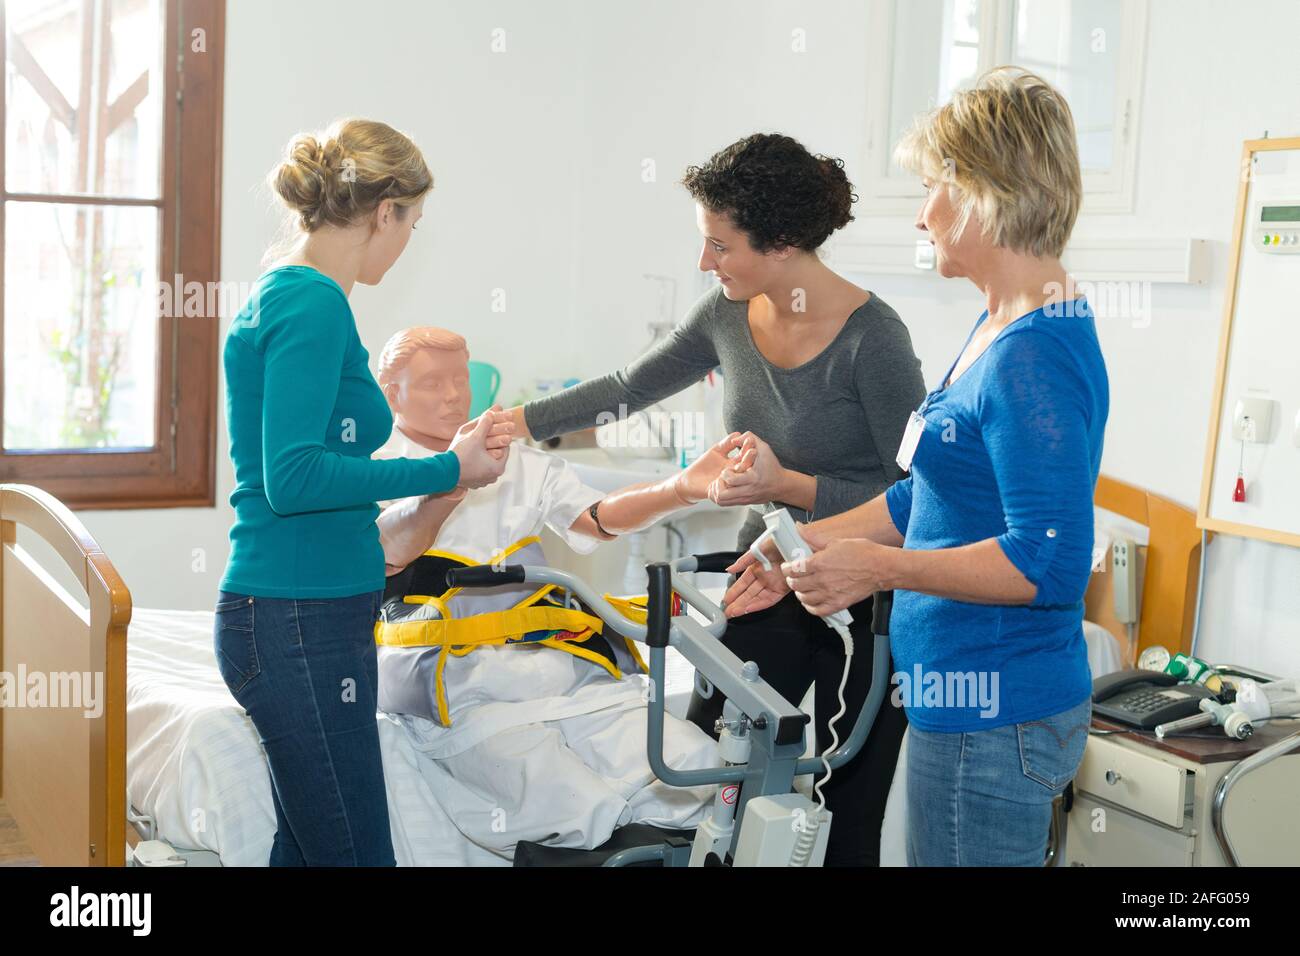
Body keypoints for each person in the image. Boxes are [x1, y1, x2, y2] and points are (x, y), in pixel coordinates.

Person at [507, 133, 926, 865]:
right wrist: (516, 425)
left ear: (783, 242)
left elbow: (917, 500)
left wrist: (787, 486)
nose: (705, 262)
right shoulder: (728, 312)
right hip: (761, 576)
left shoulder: (876, 342)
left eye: (719, 245)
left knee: (836, 810)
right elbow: (630, 388)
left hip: (859, 596)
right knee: (713, 780)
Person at [727, 68, 1109, 866]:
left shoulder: (1031, 356)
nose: (925, 212)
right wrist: (803, 542)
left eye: (936, 187)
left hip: (998, 716)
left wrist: (882, 570)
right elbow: (926, 498)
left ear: (988, 193)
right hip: (958, 703)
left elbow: (1049, 563)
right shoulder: (999, 324)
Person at [214, 119, 512, 866]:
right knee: (352, 853)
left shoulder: (297, 296)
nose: (410, 237)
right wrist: (447, 470)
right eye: (412, 219)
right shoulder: (308, 303)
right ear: (387, 212)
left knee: (311, 847)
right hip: (293, 619)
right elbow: (295, 478)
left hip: (308, 613)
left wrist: (440, 488)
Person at [367, 326, 743, 857]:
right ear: (390, 393)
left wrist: (681, 488)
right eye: (431, 383)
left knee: (698, 771)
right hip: (461, 692)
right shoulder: (374, 468)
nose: (453, 395)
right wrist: (455, 476)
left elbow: (593, 519)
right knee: (574, 809)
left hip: (567, 675)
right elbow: (388, 550)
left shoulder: (517, 460)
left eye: (460, 379)